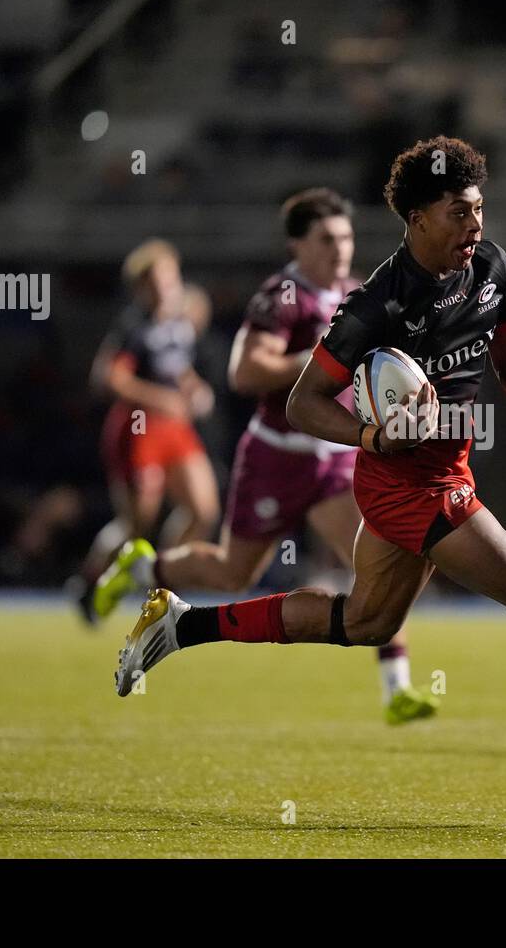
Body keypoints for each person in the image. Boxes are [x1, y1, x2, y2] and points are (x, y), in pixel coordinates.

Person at [111, 136, 506, 818]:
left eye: (477, 208)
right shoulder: (378, 304)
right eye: (457, 212)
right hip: (402, 486)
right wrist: (369, 434)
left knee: (364, 622)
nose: (473, 225)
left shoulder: (491, 269)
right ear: (417, 218)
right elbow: (302, 401)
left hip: (447, 470)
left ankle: (181, 627)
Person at [93, 189, 438, 724]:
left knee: (381, 562)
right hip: (276, 457)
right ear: (297, 244)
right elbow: (245, 372)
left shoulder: (355, 293)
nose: (340, 250)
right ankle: (144, 566)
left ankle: (397, 688)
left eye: (346, 238)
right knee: (233, 573)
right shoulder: (282, 296)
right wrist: (319, 354)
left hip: (332, 461)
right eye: (326, 239)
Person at [72, 240, 219, 619]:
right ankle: (90, 581)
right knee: (137, 525)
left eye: (170, 278)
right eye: (156, 281)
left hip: (174, 428)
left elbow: (176, 368)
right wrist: (160, 399)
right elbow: (108, 377)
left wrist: (193, 388)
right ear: (140, 287)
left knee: (203, 509)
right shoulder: (133, 326)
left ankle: (162, 582)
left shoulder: (178, 324)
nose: (166, 288)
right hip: (138, 428)